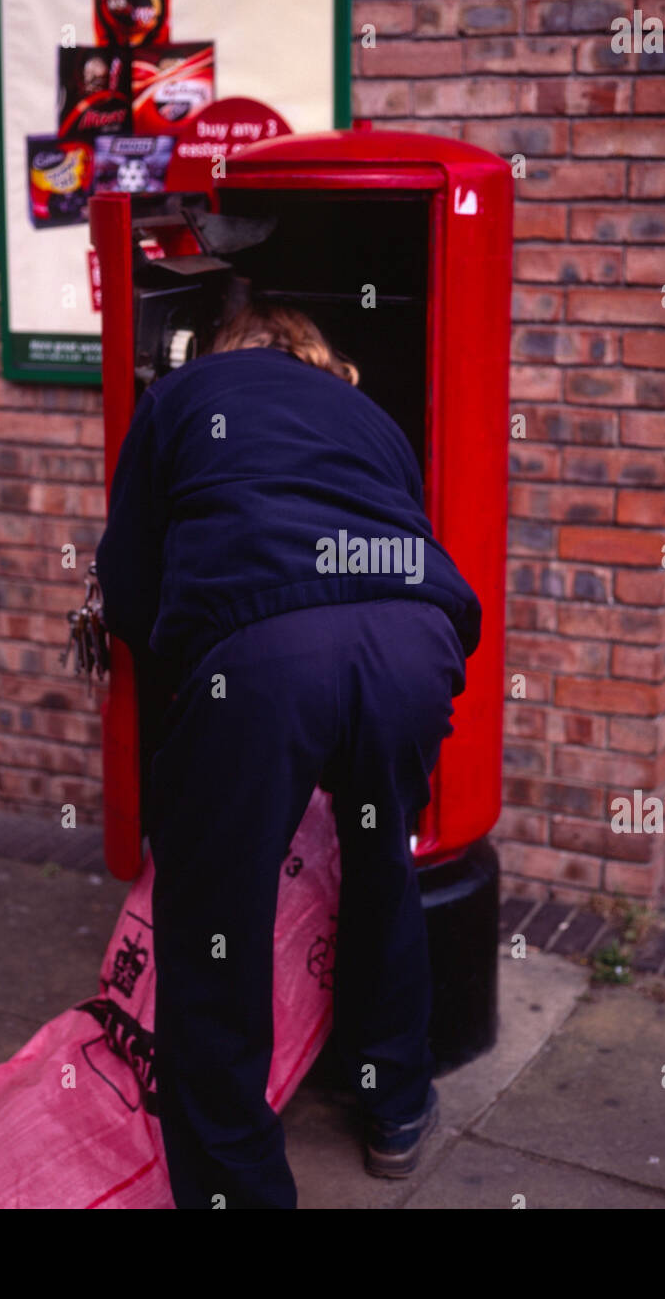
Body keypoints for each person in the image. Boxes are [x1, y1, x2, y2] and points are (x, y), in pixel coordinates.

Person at [94, 303, 481, 1209]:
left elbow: (132, 577)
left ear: (224, 349)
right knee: (381, 862)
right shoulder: (368, 413)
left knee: (214, 919)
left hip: (266, 653)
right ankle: (397, 1100)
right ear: (319, 357)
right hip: (414, 639)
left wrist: (181, 684)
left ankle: (240, 1187)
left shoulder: (182, 394)